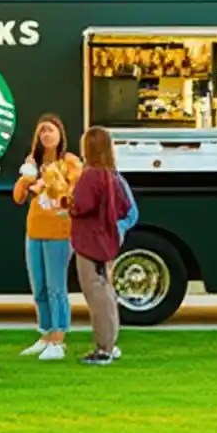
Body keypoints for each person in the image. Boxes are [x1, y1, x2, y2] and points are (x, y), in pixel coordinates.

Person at [12, 114, 83, 361]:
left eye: (51, 130)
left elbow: (72, 196)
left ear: (60, 134)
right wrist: (27, 175)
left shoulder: (70, 162)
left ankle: (58, 339)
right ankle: (44, 334)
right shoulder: (34, 163)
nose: (46, 135)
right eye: (42, 131)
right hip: (34, 230)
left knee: (56, 287)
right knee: (39, 286)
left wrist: (49, 183)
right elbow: (18, 197)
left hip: (59, 231)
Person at [69, 126, 131, 366]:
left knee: (95, 294)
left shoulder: (90, 175)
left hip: (88, 241)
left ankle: (102, 348)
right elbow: (125, 207)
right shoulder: (112, 175)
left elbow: (81, 206)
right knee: (106, 292)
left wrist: (69, 203)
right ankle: (111, 343)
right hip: (107, 238)